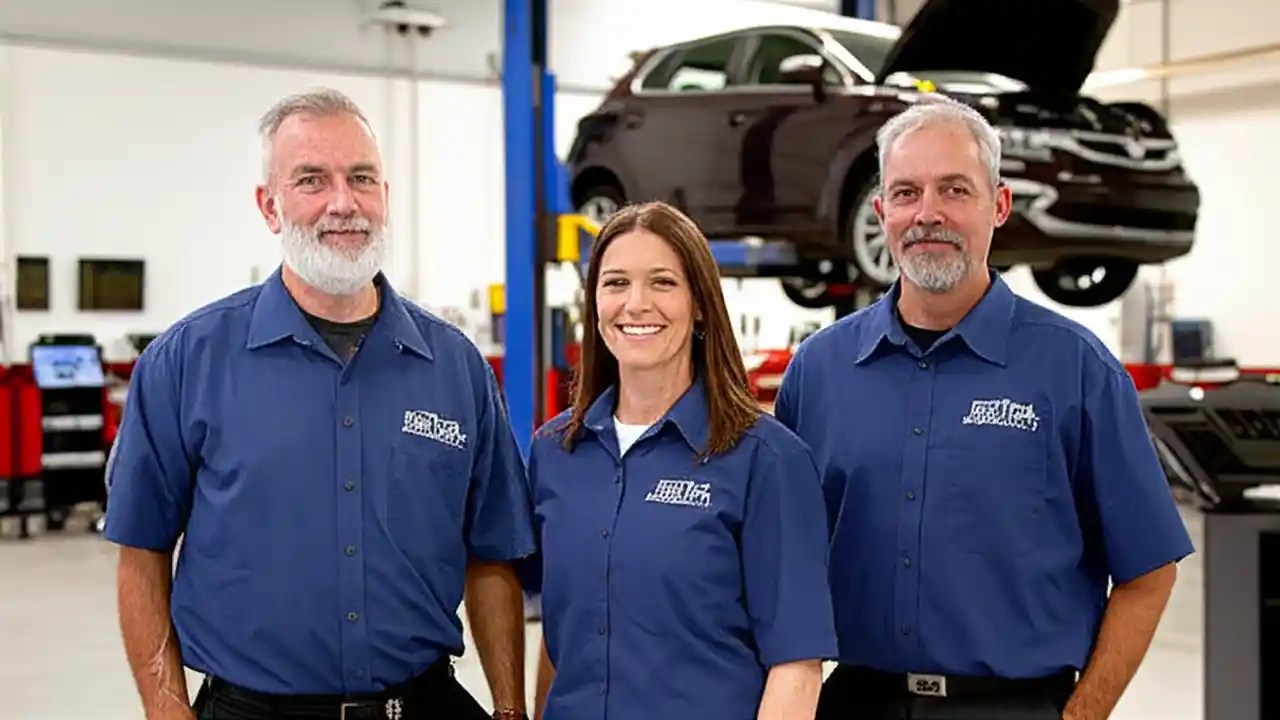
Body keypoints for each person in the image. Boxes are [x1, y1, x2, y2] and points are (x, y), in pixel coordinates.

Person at [103, 87, 535, 720]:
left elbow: (491, 550)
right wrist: (167, 713)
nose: (343, 202)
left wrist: (508, 709)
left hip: (422, 703)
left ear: (385, 196)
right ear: (269, 207)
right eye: (312, 179)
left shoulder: (455, 368)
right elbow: (141, 550)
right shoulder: (187, 361)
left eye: (362, 178)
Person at [774, 96, 1195, 720]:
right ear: (881, 210)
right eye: (907, 192)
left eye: (954, 190)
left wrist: (1081, 716)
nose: (928, 214)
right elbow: (775, 562)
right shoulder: (820, 371)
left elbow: (1149, 573)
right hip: (855, 701)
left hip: (1015, 705)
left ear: (998, 206)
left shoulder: (1076, 370)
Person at [524, 201, 838, 720]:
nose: (636, 304)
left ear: (699, 304)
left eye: (663, 283)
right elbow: (560, 640)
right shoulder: (555, 453)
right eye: (616, 283)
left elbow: (797, 669)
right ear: (594, 300)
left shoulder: (767, 460)